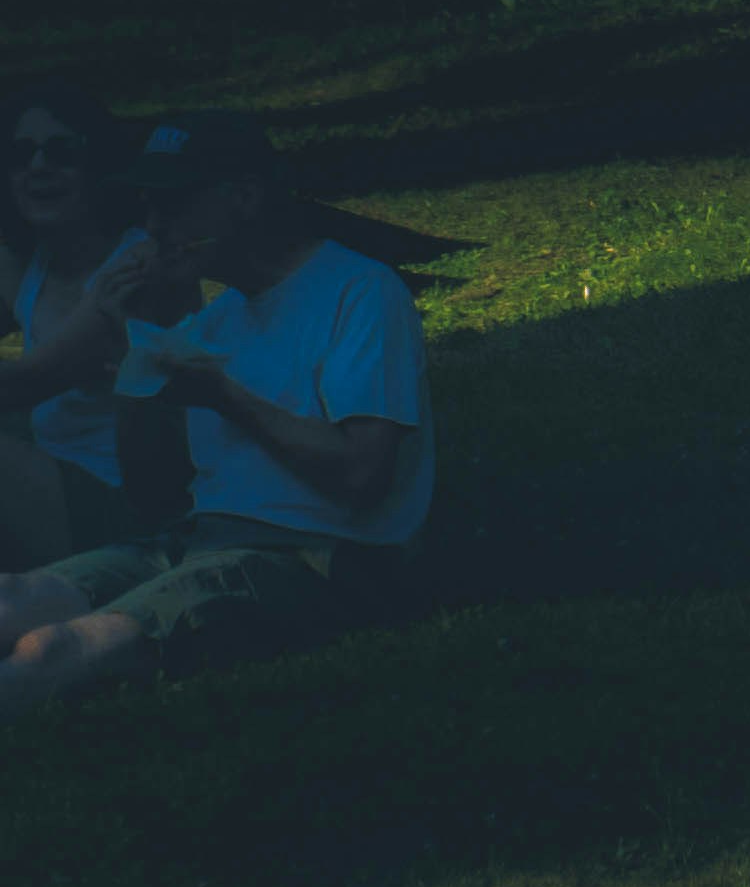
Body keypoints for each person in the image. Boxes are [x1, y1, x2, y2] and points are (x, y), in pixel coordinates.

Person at [0, 112, 436, 724]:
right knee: (10, 598)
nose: (153, 228)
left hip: (313, 560)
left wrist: (224, 396)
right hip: (193, 542)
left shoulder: (358, 291)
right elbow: (154, 498)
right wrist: (137, 352)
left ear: (245, 198)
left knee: (53, 651)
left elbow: (363, 475)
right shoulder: (214, 321)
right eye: (148, 207)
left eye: (173, 205)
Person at [0, 86, 160, 567]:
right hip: (49, 487)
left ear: (100, 165)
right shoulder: (23, 265)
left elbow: (25, 384)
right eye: (21, 154)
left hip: (129, 509)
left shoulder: (139, 262)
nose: (39, 167)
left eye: (62, 152)